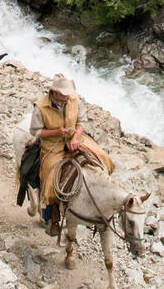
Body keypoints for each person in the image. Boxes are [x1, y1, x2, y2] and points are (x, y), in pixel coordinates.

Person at [28, 74, 114, 237]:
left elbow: (82, 122)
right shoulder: (41, 107)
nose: (66, 96)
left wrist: (75, 137)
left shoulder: (74, 100)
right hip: (53, 145)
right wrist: (56, 132)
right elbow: (35, 131)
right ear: (54, 92)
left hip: (75, 139)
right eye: (63, 94)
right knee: (50, 179)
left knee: (103, 157)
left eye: (67, 93)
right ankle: (52, 218)